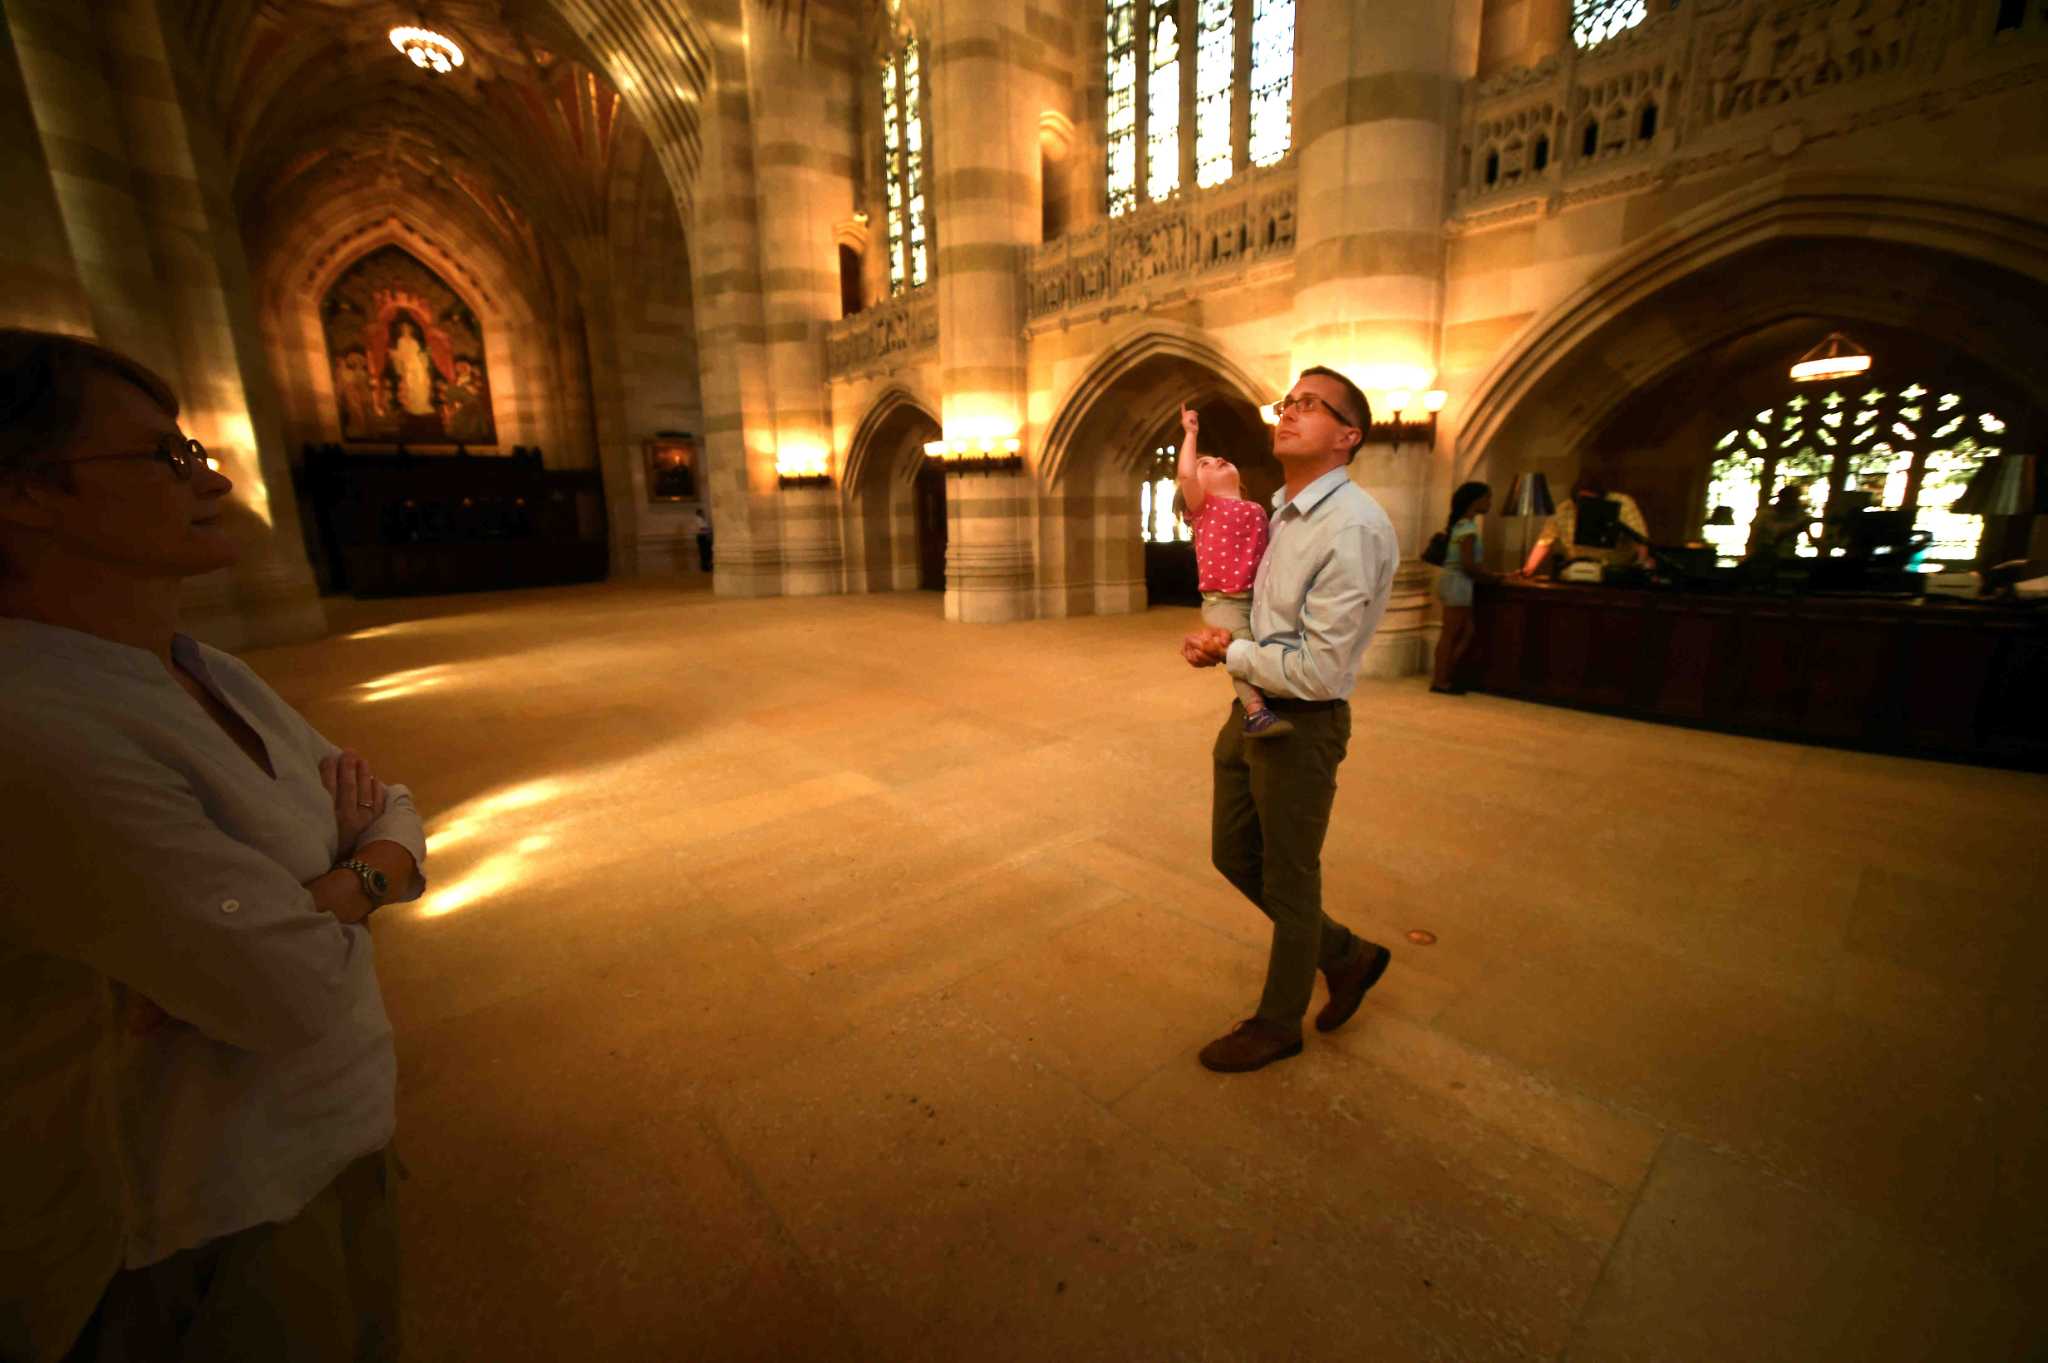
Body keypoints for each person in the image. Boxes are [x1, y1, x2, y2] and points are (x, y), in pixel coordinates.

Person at [0, 330, 428, 1362]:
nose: (215, 474)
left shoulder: (210, 667)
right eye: (164, 456)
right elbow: (282, 989)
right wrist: (353, 880)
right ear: (25, 493)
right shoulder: (34, 727)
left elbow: (398, 813)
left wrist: (329, 885)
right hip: (198, 1214)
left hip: (329, 1137)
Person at [1179, 367, 1398, 1074]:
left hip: (1301, 721)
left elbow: (1322, 669)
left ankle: (1279, 1022)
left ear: (1347, 435)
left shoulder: (1354, 525)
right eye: (1288, 401)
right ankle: (1346, 953)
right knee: (1232, 852)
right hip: (1254, 707)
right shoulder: (1277, 511)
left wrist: (1229, 648)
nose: (1290, 410)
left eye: (1310, 404)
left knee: (1290, 879)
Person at [1174, 401, 1289, 738]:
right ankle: (1255, 712)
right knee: (1238, 650)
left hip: (1256, 596)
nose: (1217, 461)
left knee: (1261, 646)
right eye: (1204, 465)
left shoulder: (1254, 508)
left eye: (1218, 459)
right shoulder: (1205, 508)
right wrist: (1190, 433)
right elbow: (1184, 474)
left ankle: (1268, 697)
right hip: (1222, 601)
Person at [1431, 481, 1496, 695]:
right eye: (1487, 498)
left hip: (1455, 582)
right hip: (1457, 583)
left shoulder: (1461, 525)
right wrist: (1492, 577)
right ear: (1475, 501)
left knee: (1465, 632)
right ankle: (1441, 680)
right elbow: (1468, 564)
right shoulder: (1467, 529)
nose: (1489, 503)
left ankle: (1447, 675)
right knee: (1451, 634)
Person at [1519, 473, 1651, 576]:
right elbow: (1544, 541)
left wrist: (1641, 566)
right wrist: (1528, 569)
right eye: (1583, 501)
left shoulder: (1623, 504)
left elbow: (1640, 539)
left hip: (1613, 572)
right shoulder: (1564, 509)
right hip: (1577, 570)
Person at [692, 505, 714, 572]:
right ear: (699, 513)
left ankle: (707, 565)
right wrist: (710, 530)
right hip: (702, 537)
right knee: (704, 552)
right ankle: (705, 567)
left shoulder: (701, 519)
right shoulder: (698, 519)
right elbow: (702, 528)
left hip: (704, 536)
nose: (703, 514)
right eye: (702, 513)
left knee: (707, 552)